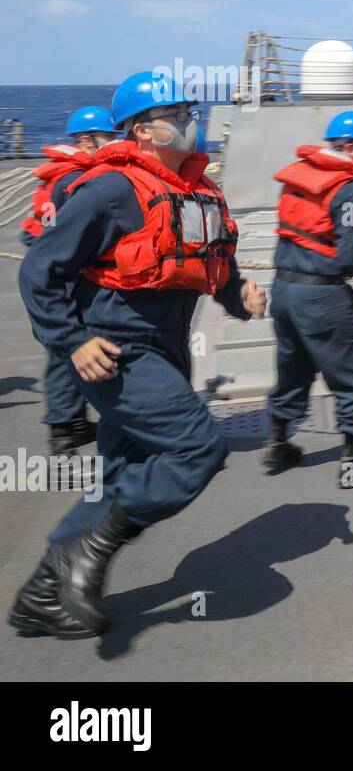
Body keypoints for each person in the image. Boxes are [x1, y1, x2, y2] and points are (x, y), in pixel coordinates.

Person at [11, 71, 265, 639]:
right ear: (142, 131)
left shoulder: (197, 191)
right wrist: (73, 341)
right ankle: (88, 555)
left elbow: (205, 263)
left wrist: (238, 293)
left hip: (169, 346)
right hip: (119, 347)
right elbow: (39, 270)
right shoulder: (110, 190)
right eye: (174, 115)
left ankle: (40, 597)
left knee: (120, 474)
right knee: (199, 448)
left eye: (186, 111)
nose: (187, 121)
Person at [263, 111, 353, 487]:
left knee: (294, 368)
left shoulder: (298, 179)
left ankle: (277, 445)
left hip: (284, 291)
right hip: (322, 295)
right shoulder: (348, 189)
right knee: (352, 374)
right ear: (351, 148)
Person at [20, 106, 117, 456]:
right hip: (62, 284)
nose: (112, 144)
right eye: (108, 137)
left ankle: (72, 421)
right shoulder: (74, 182)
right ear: (88, 140)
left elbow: (33, 233)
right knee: (67, 356)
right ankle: (63, 434)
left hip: (53, 277)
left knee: (66, 355)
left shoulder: (61, 178)